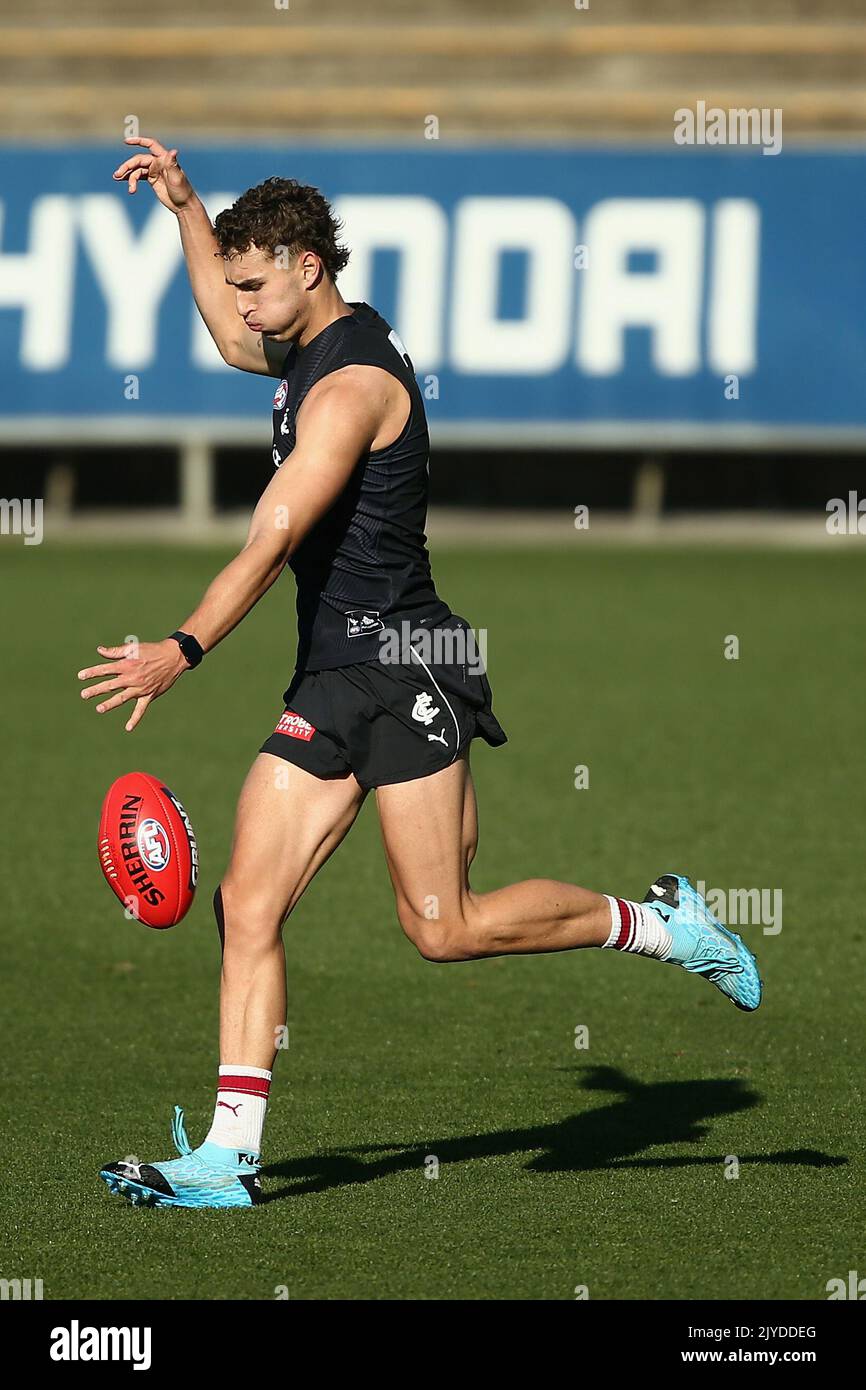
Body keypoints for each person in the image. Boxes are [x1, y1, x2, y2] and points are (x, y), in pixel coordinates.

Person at [80, 137, 762, 1210]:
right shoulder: (298, 339)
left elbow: (269, 536)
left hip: (409, 667)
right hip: (330, 673)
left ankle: (664, 924)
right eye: (237, 279)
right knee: (246, 903)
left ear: (308, 266)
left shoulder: (349, 385)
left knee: (443, 927)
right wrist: (185, 210)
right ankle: (228, 1157)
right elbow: (222, 330)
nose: (240, 303)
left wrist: (185, 646)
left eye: (254, 281)